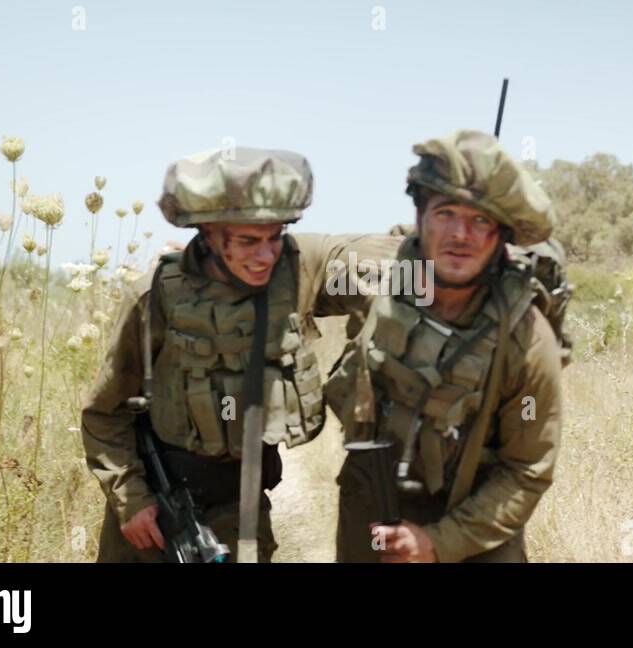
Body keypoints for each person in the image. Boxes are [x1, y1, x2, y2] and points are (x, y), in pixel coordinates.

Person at [82, 146, 397, 562]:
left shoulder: (298, 271)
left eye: (275, 237)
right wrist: (132, 499)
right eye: (248, 241)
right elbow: (105, 412)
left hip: (241, 507)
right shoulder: (156, 295)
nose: (265, 255)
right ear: (208, 233)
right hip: (157, 503)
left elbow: (376, 260)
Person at [326, 129, 566, 563]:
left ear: (500, 238)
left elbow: (528, 470)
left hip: (474, 527)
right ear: (420, 218)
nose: (461, 234)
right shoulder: (377, 279)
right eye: (446, 213)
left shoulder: (527, 338)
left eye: (481, 221)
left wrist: (438, 542)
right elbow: (277, 260)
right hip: (371, 511)